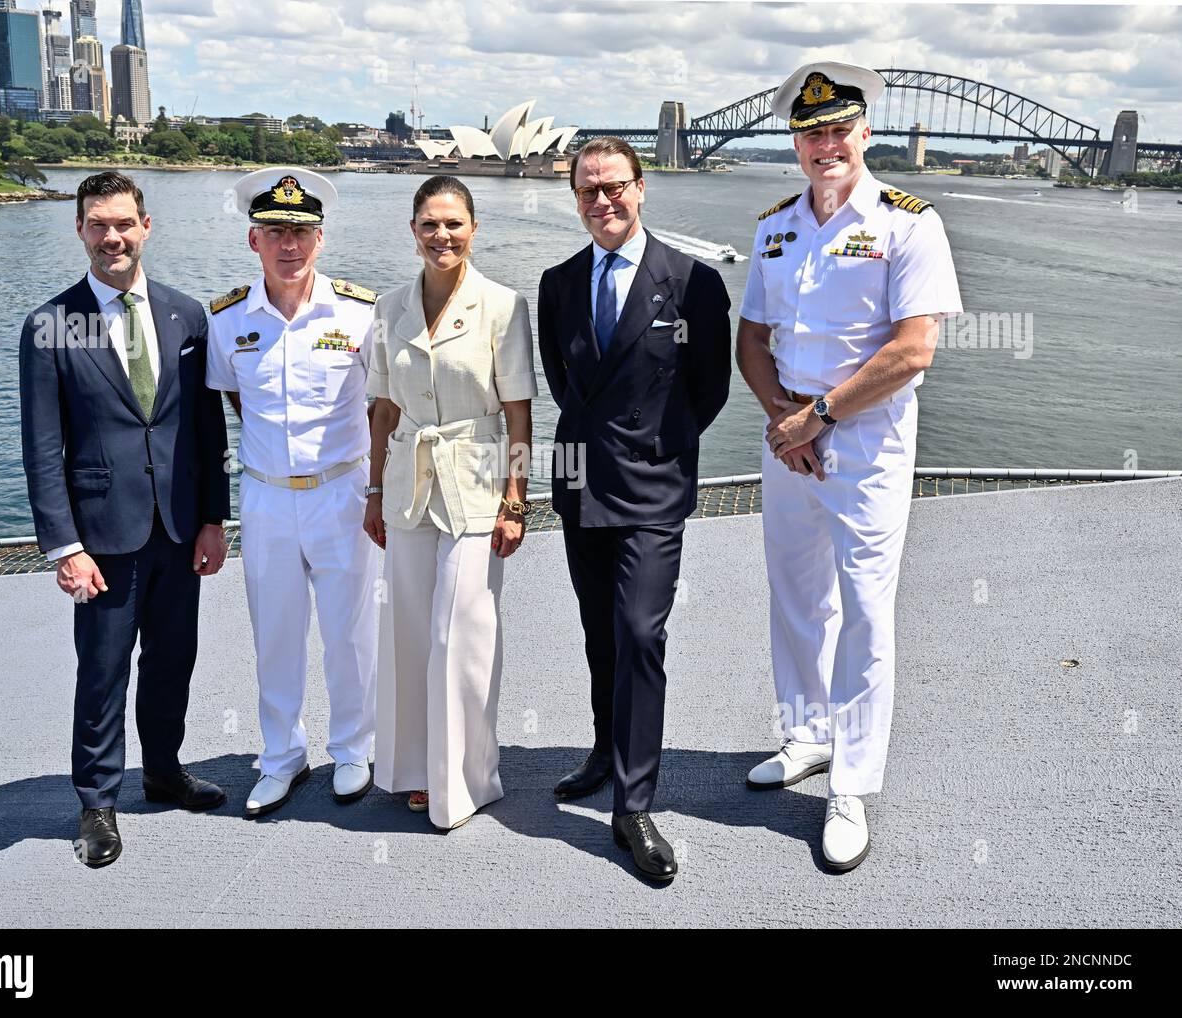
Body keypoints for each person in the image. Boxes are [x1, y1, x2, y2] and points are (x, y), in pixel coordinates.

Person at [737, 62, 963, 871]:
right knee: (797, 594)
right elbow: (751, 340)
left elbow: (914, 349)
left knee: (865, 606)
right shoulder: (774, 227)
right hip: (790, 436)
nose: (825, 145)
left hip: (864, 440)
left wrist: (820, 417)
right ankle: (806, 737)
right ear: (796, 143)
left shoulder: (909, 223)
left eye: (839, 129)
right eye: (810, 133)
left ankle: (852, 787)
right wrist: (783, 422)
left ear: (865, 133)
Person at [19, 171, 231, 868]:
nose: (113, 237)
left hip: (177, 526)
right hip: (101, 536)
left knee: (175, 658)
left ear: (147, 226)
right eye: (98, 224)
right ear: (79, 230)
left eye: (124, 223)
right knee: (104, 669)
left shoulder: (186, 316)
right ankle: (98, 802)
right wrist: (63, 547)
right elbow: (42, 447)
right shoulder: (50, 324)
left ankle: (164, 771)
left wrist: (211, 521)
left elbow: (207, 432)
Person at [538, 138, 732, 881]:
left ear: (642, 189)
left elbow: (707, 388)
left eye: (614, 187)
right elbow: (563, 381)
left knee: (639, 632)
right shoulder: (558, 283)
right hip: (580, 482)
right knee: (599, 632)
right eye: (588, 191)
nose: (601, 202)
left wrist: (659, 447)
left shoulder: (692, 283)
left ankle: (633, 804)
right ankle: (601, 749)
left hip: (652, 490)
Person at [363, 175, 536, 831]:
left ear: (473, 229)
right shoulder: (387, 309)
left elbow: (520, 414)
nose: (442, 236)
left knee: (459, 632)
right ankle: (414, 770)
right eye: (430, 224)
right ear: (413, 231)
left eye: (454, 224)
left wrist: (516, 499)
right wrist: (374, 489)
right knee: (408, 631)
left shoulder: (503, 305)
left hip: (477, 480)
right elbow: (382, 408)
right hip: (408, 481)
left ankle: (467, 778)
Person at [205, 168, 378, 817]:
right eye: (276, 232)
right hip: (268, 496)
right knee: (275, 632)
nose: (289, 245)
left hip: (343, 490)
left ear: (320, 239)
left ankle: (353, 749)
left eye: (300, 232)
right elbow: (232, 402)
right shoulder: (225, 320)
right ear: (254, 240)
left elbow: (381, 404)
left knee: (350, 629)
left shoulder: (361, 312)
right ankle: (281, 755)